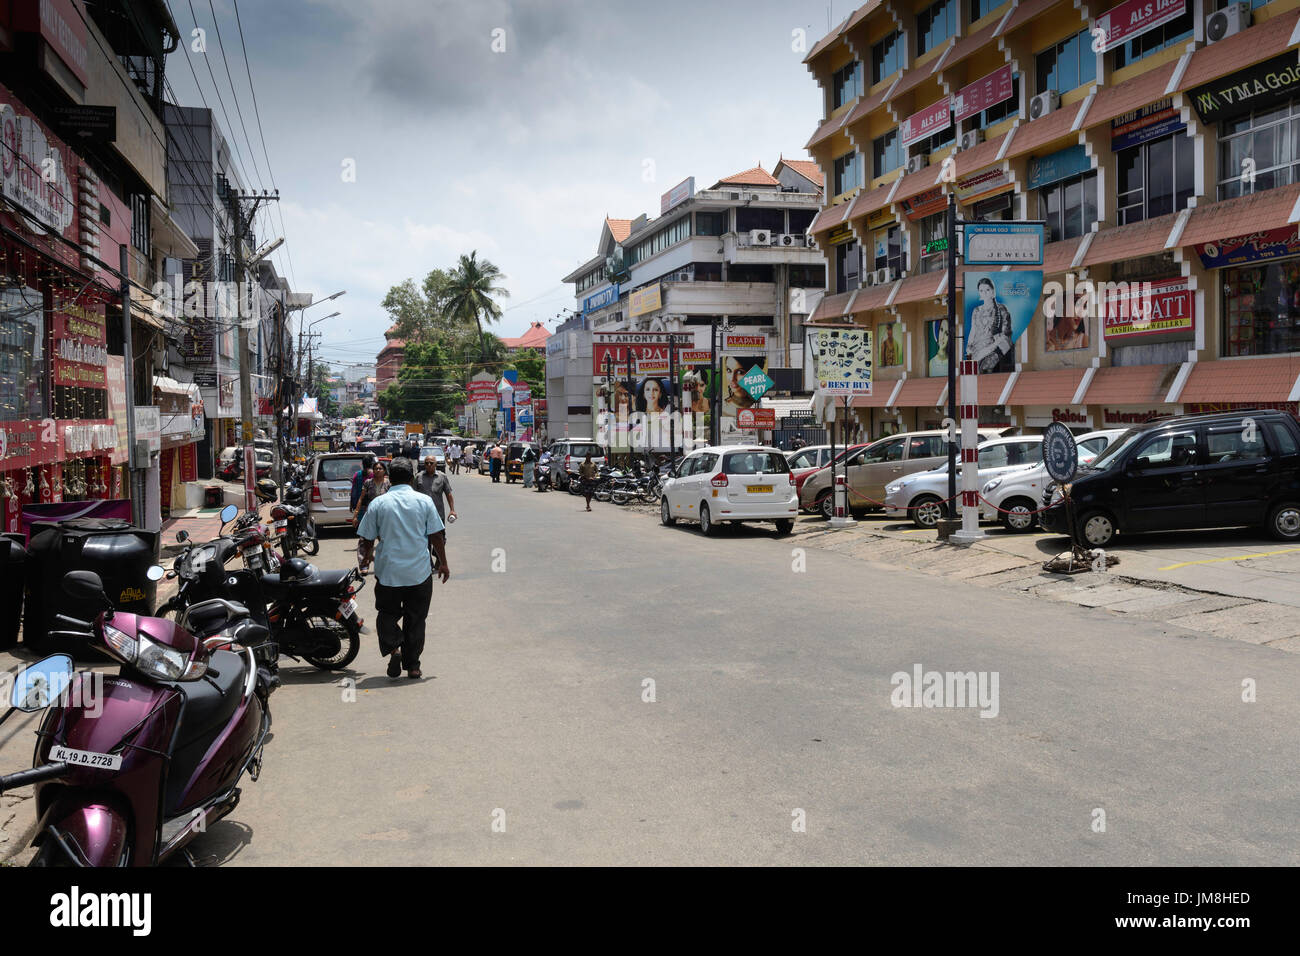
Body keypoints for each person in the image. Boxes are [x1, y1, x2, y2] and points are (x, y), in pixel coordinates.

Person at [357, 458, 449, 680]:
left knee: (387, 615)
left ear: (390, 477)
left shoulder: (379, 503)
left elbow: (367, 537)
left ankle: (394, 648)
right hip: (419, 571)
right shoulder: (424, 501)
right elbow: (436, 535)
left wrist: (367, 557)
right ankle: (413, 666)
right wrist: (443, 562)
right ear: (411, 478)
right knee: (416, 619)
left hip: (389, 571)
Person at [966, 276, 1014, 374]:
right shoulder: (976, 310)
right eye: (981, 290)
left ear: (993, 291)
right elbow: (973, 329)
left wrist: (990, 348)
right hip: (977, 350)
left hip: (994, 349)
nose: (985, 293)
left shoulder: (1001, 309)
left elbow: (1005, 334)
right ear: (979, 293)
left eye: (987, 290)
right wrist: (969, 346)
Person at [352, 461, 390, 528]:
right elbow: (361, 498)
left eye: (380, 468)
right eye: (376, 468)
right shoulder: (368, 483)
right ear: (373, 470)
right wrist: (355, 515)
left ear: (384, 471)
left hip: (385, 514)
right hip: (371, 513)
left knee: (383, 537)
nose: (378, 470)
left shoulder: (388, 483)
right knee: (365, 537)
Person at [350, 454, 375, 519]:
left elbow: (354, 491)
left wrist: (352, 504)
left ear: (362, 464)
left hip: (360, 506)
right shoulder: (375, 474)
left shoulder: (357, 474)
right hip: (373, 504)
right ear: (372, 463)